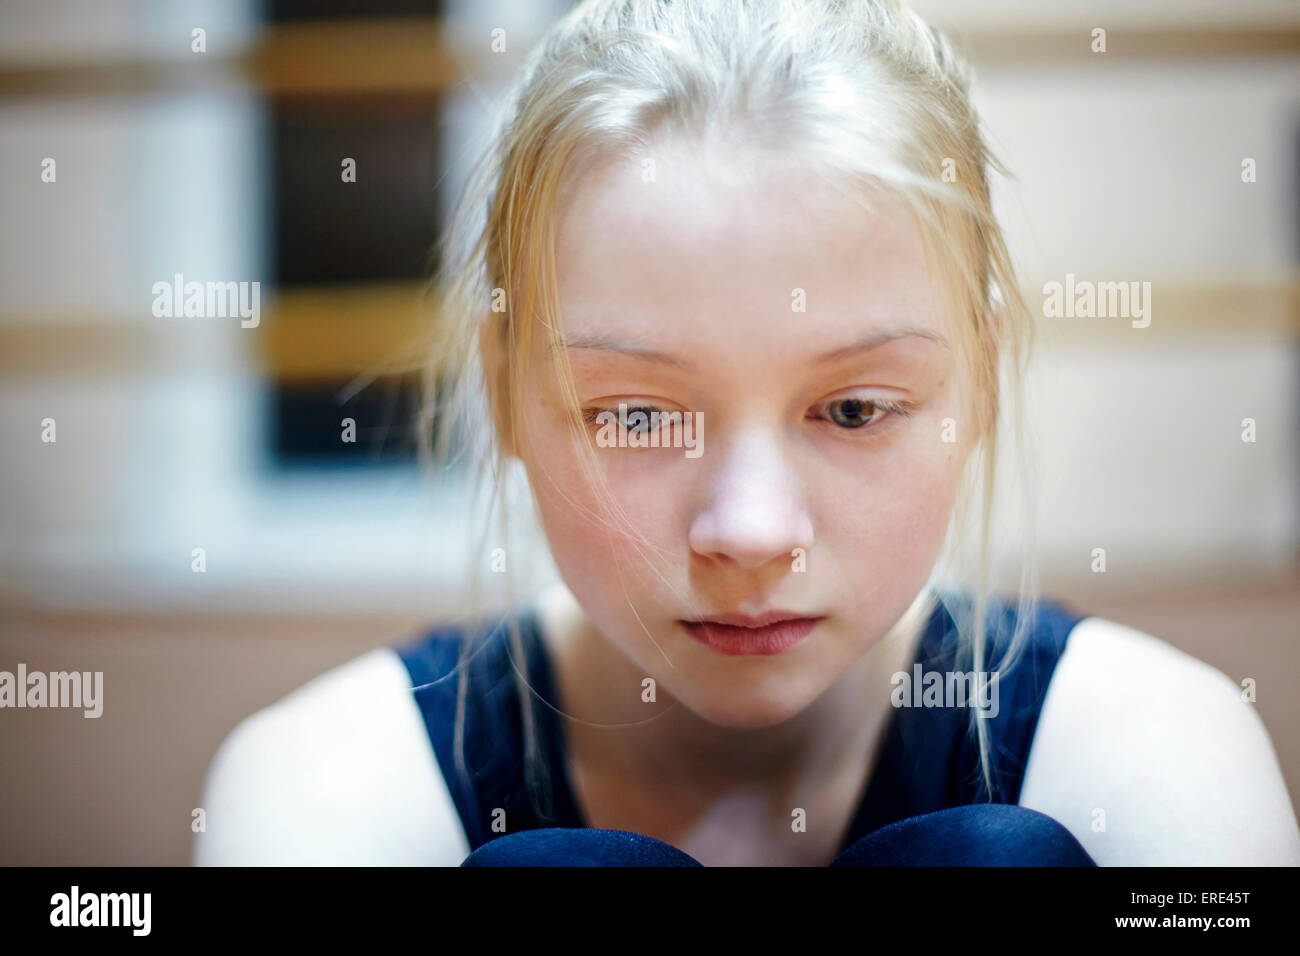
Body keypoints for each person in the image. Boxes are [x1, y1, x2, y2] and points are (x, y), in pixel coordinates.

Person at [193, 0, 1300, 867]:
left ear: (985, 383)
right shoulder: (332, 791)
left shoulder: (1150, 766)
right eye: (635, 413)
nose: (751, 531)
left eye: (854, 409)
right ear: (503, 392)